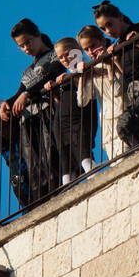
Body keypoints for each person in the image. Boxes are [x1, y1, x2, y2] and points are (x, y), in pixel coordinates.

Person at [5, 19, 67, 204]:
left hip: (48, 113)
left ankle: (59, 192)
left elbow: (52, 73)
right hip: (29, 120)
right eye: (21, 46)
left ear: (38, 35)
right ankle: (41, 199)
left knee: (51, 155)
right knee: (34, 164)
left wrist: (28, 94)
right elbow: (18, 93)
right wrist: (4, 104)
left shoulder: (55, 54)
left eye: (28, 42)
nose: (26, 48)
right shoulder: (27, 71)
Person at [92, 0, 139, 148]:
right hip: (135, 94)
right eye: (103, 29)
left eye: (109, 24)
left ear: (120, 17)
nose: (108, 31)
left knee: (125, 123)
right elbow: (126, 75)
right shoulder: (118, 45)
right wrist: (114, 61)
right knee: (130, 127)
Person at [74, 24, 130, 163]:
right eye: (86, 49)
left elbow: (118, 91)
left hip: (124, 110)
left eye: (92, 46)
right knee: (116, 160)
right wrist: (83, 76)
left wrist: (110, 66)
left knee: (129, 153)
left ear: (103, 41)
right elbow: (82, 101)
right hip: (107, 119)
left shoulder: (117, 57)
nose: (90, 51)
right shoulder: (91, 69)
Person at [46, 37, 98, 181]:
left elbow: (86, 87)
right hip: (62, 118)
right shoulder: (65, 73)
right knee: (63, 149)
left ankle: (92, 171)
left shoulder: (82, 65)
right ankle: (67, 181)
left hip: (77, 115)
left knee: (79, 143)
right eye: (60, 57)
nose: (64, 59)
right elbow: (60, 100)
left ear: (76, 51)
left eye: (66, 54)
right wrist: (54, 89)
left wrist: (71, 77)